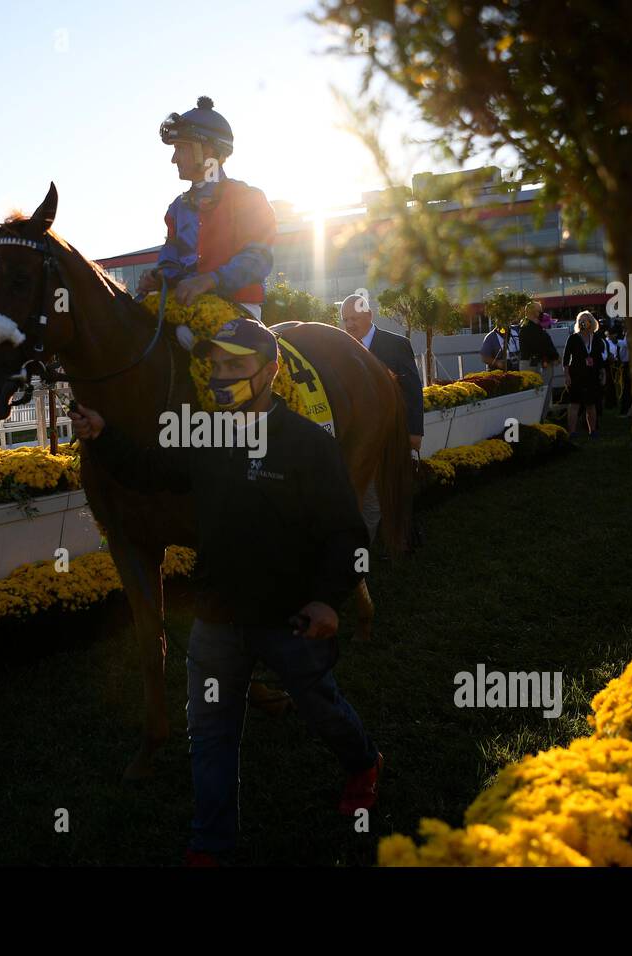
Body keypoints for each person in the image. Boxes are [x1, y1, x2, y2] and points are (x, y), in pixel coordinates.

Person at [68, 317, 381, 866]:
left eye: (235, 365)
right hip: (216, 618)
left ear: (270, 370)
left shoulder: (308, 444)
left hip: (291, 620)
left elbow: (346, 534)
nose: (220, 376)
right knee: (210, 732)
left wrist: (329, 599)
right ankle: (210, 847)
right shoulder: (205, 434)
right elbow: (152, 469)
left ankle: (364, 764)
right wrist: (103, 433)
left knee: (321, 708)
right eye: (215, 366)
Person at [136, 97, 275, 327]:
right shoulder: (177, 208)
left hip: (239, 311)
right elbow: (170, 259)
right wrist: (159, 277)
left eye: (179, 148)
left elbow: (258, 259)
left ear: (207, 150)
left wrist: (210, 280)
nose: (173, 159)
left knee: (188, 337)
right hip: (186, 306)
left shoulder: (249, 198)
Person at [340, 293, 422, 546]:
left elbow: (413, 391)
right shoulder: (340, 347)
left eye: (354, 318)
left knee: (391, 489)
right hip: (358, 435)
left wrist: (414, 431)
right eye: (345, 320)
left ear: (369, 315)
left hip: (392, 431)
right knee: (369, 492)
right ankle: (365, 545)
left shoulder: (396, 344)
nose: (349, 324)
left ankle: (394, 538)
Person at [563, 310, 604, 437]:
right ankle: (572, 432)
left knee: (591, 404)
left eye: (585, 319)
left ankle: (593, 431)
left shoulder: (596, 338)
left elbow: (599, 358)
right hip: (576, 375)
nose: (582, 321)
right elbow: (565, 359)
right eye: (580, 319)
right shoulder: (573, 338)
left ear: (591, 322)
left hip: (592, 376)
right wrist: (567, 375)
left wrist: (603, 374)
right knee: (574, 404)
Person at [518, 301, 560, 421]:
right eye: (540, 311)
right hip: (535, 366)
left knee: (543, 394)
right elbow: (541, 346)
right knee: (537, 394)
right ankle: (536, 420)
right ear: (534, 312)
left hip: (539, 364)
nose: (542, 313)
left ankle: (540, 419)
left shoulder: (536, 327)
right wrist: (554, 357)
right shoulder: (528, 328)